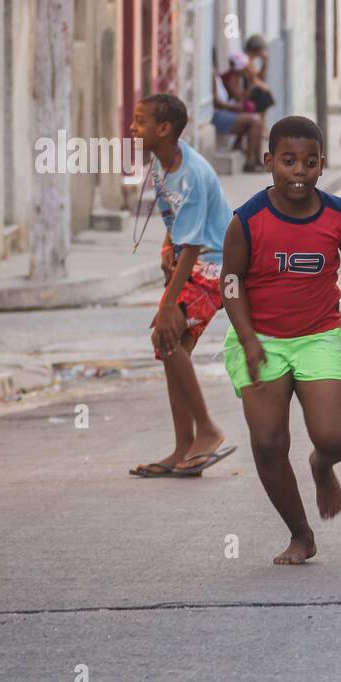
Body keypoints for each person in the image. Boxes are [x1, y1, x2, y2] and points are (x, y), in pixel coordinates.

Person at [219, 115, 341, 565]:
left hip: (318, 337)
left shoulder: (337, 214)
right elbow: (230, 280)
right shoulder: (248, 220)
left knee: (335, 439)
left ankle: (322, 465)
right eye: (289, 161)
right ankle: (300, 533)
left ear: (321, 165)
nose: (299, 171)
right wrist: (249, 339)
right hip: (260, 341)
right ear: (269, 161)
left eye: (310, 162)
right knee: (269, 442)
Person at [128, 93, 237, 480]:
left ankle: (208, 429)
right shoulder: (161, 162)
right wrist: (164, 246)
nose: (132, 127)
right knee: (176, 350)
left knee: (166, 336)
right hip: (195, 257)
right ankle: (184, 448)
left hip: (213, 263)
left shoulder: (189, 172)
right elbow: (175, 221)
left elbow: (193, 246)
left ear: (164, 129)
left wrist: (167, 305)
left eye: (139, 122)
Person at [212, 54, 264, 172]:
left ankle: (255, 159)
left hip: (224, 112)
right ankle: (251, 161)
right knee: (254, 120)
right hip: (218, 115)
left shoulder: (221, 77)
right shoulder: (224, 78)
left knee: (256, 120)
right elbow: (217, 102)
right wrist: (232, 107)